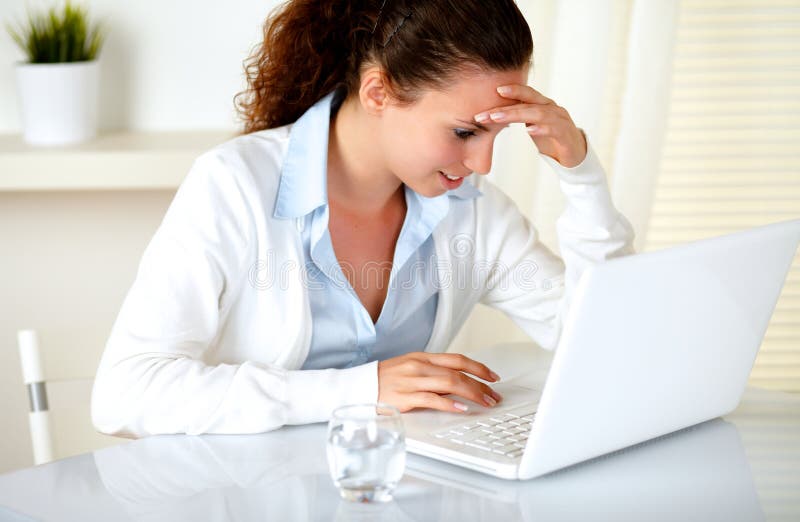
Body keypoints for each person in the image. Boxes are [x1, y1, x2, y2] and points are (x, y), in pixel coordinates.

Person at [91, 0, 634, 438]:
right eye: (465, 132)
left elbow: (605, 343)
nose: (483, 163)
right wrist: (361, 390)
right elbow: (126, 394)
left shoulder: (472, 211)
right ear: (379, 91)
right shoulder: (235, 184)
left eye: (497, 134)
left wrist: (581, 174)